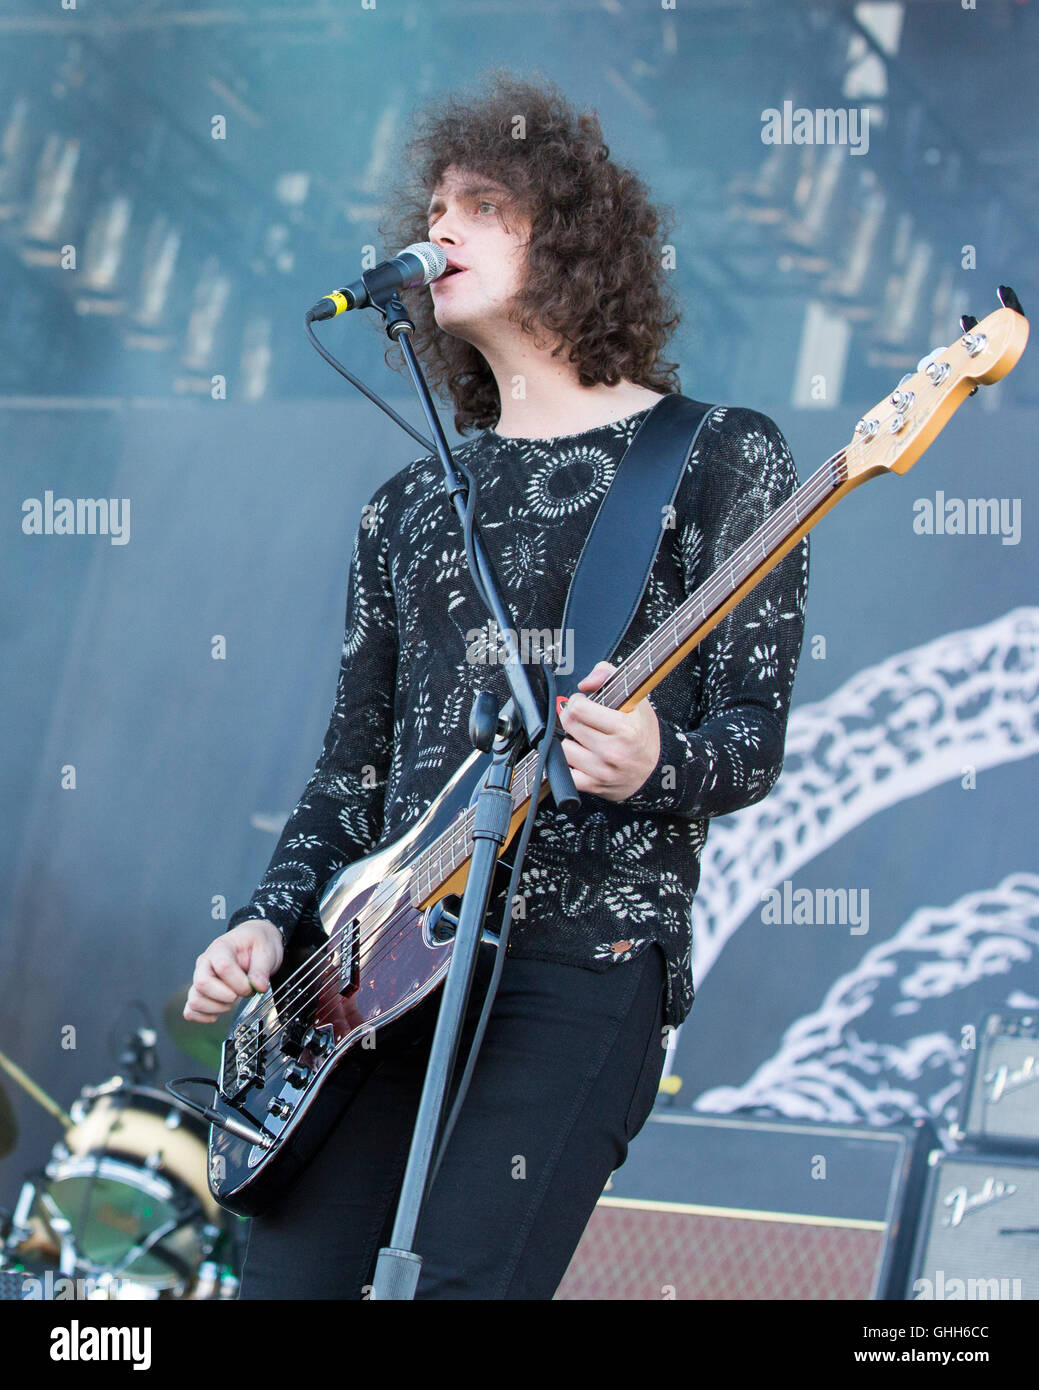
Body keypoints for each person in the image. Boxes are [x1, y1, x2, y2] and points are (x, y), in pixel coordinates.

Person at [184, 72, 809, 1300]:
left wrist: (657, 762)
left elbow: (751, 731)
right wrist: (268, 917)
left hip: (579, 961)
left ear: (569, 239)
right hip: (367, 982)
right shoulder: (412, 505)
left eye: (481, 203)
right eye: (432, 206)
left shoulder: (718, 457)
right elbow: (347, 771)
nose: (438, 230)